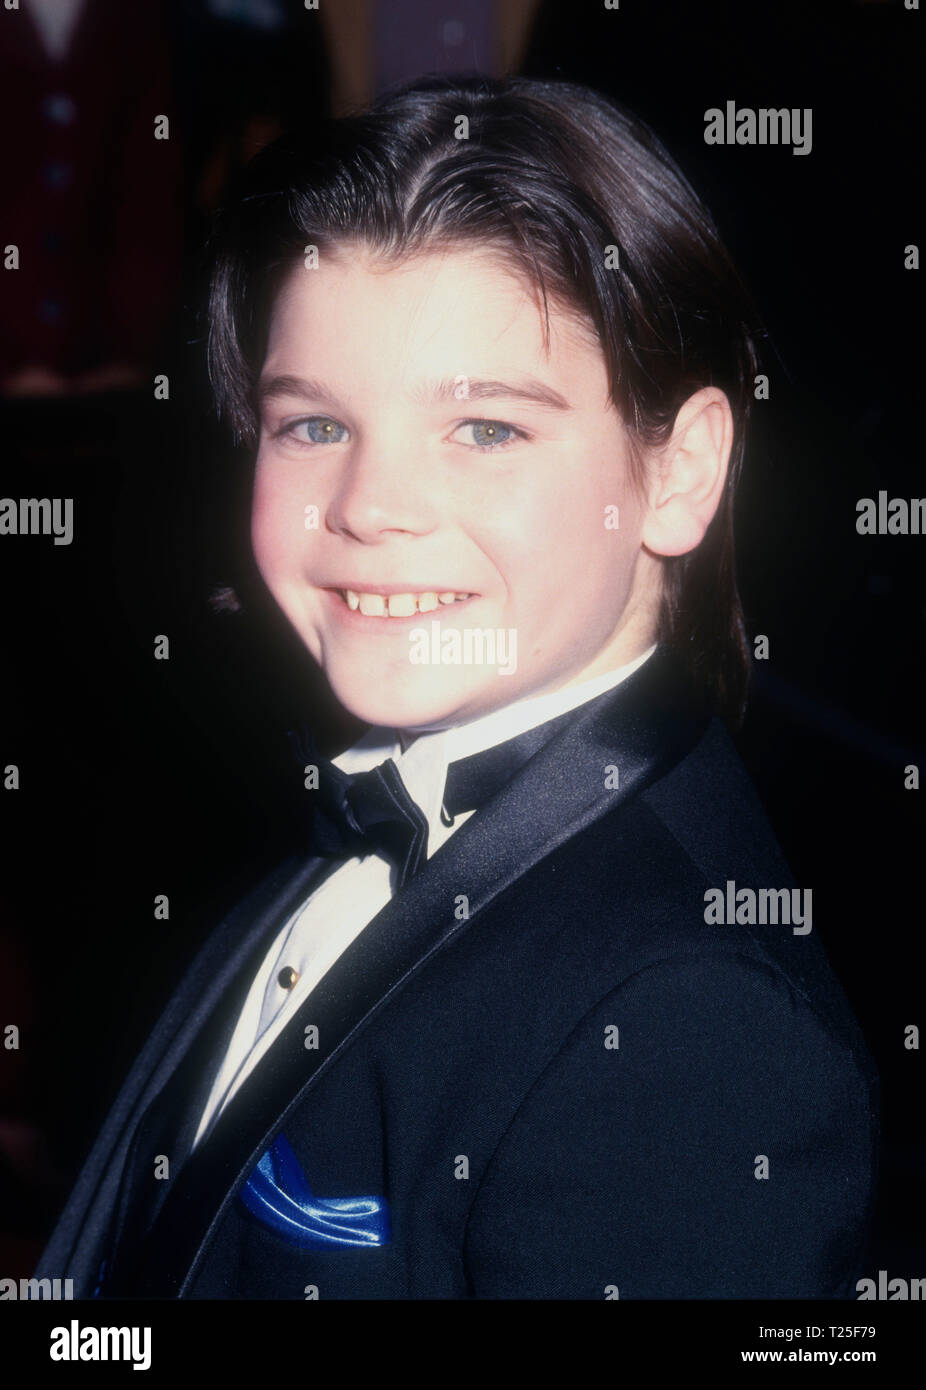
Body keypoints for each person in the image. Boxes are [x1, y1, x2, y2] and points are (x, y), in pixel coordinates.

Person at [34, 74, 878, 1300]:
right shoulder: (350, 813)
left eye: (485, 428)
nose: (370, 508)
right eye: (312, 426)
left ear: (679, 473)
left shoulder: (691, 1026)